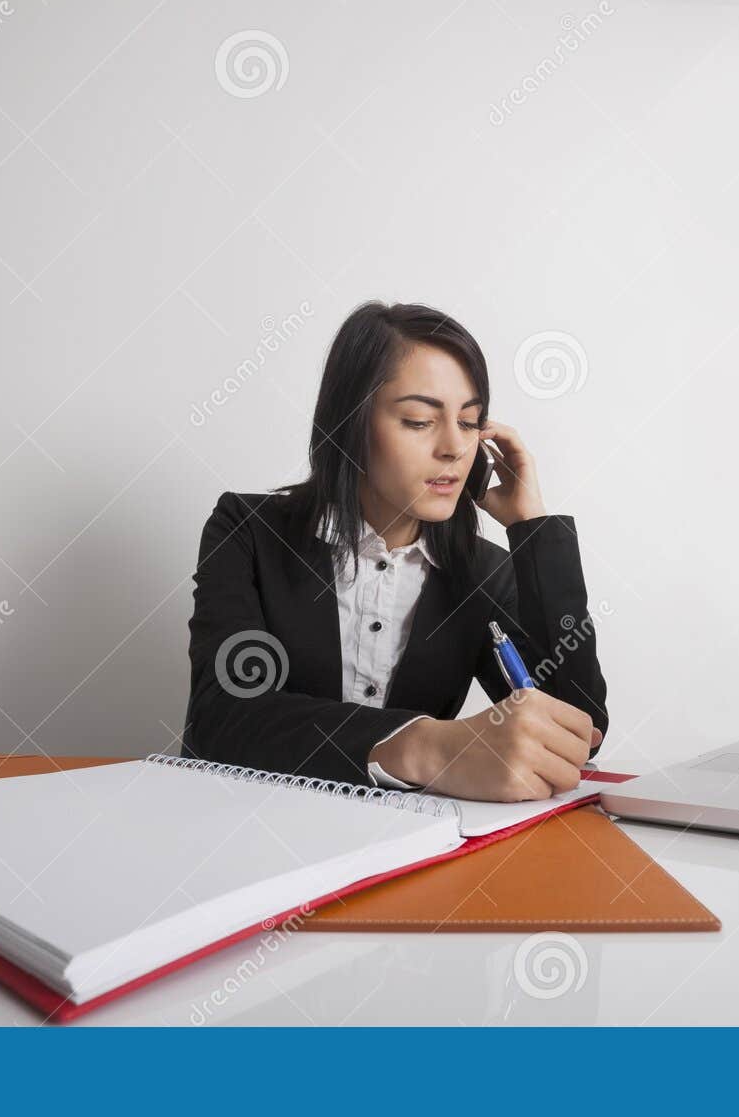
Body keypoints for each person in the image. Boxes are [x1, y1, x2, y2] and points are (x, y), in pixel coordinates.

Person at [182, 300, 608, 802]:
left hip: (406, 845)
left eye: (470, 422)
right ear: (351, 424)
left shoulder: (480, 571)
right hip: (245, 828)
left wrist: (533, 532)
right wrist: (425, 746)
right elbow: (220, 718)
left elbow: (577, 729)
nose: (454, 446)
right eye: (418, 420)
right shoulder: (249, 531)